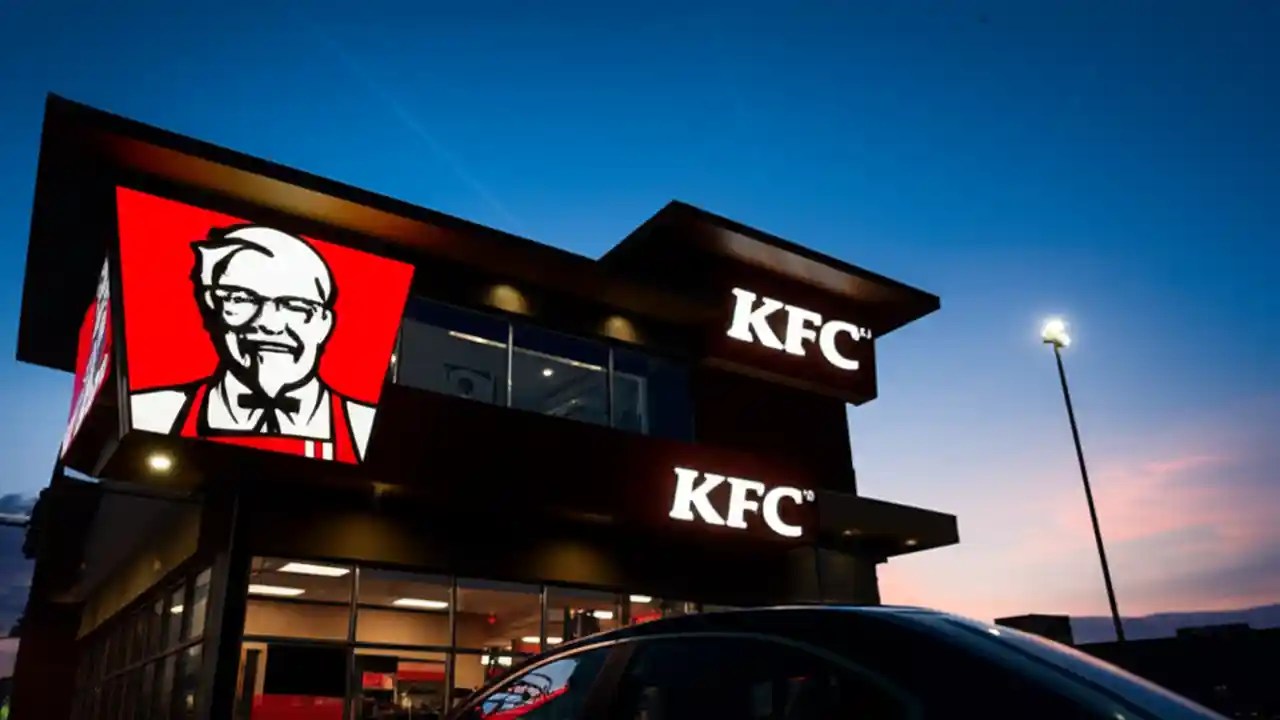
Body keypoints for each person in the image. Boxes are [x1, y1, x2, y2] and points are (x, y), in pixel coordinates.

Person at [130, 225, 376, 462]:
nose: (269, 324)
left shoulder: (363, 425)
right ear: (212, 308)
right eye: (242, 299)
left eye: (296, 306)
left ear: (324, 323)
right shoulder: (152, 412)